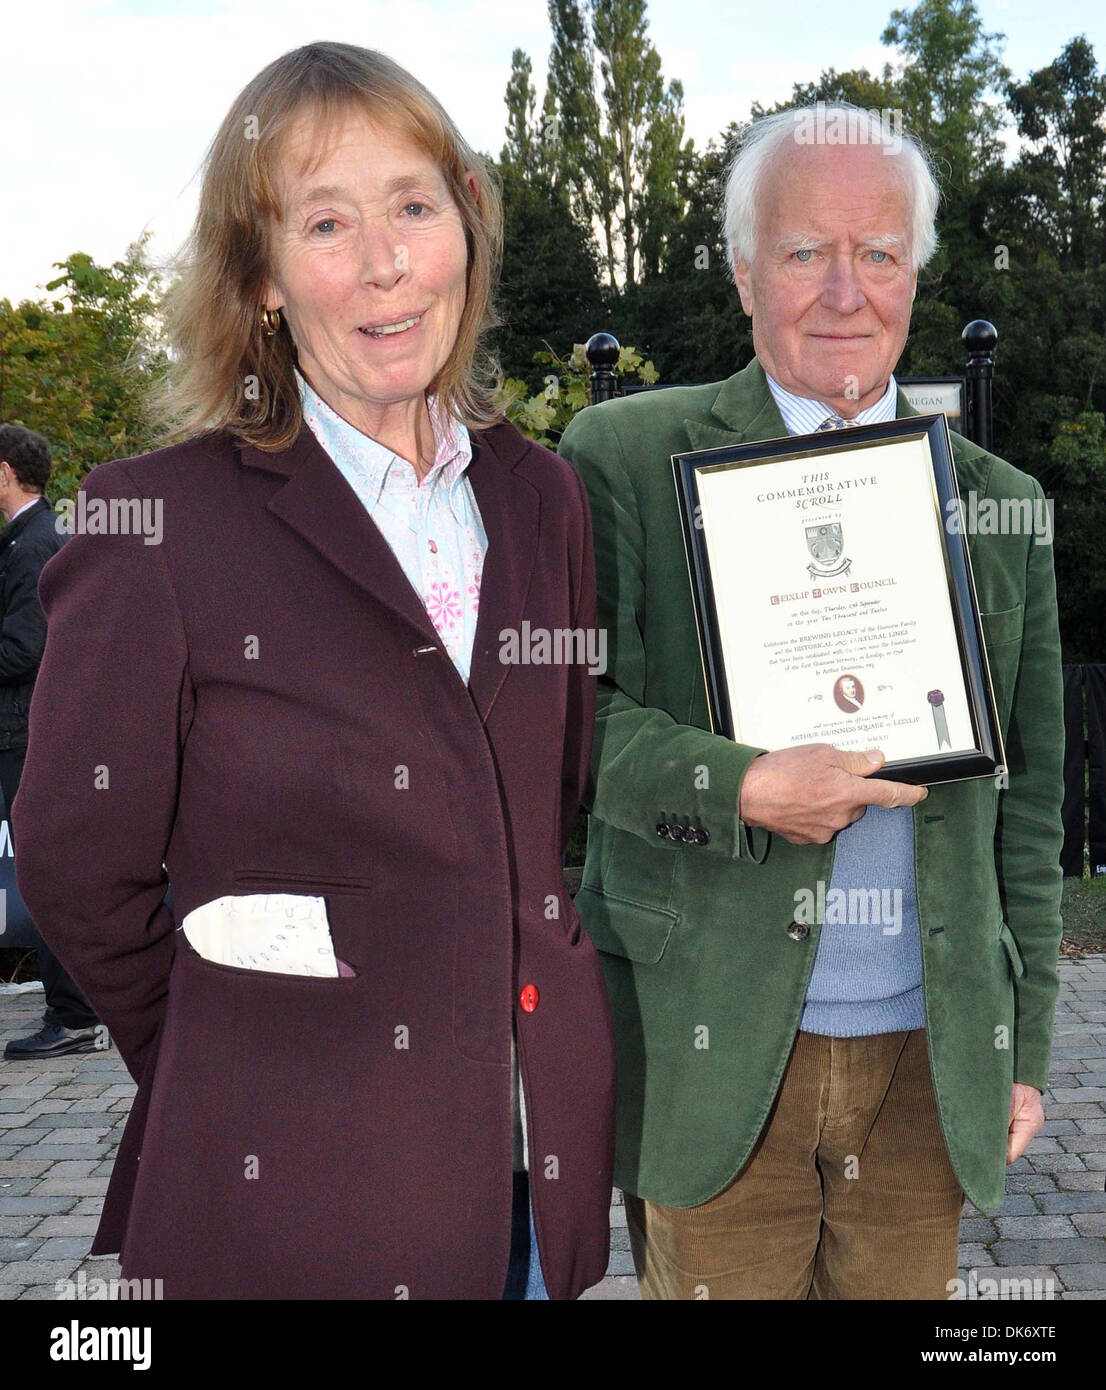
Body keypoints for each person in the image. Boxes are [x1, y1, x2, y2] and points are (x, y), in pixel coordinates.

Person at [13, 41, 615, 1300]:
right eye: (326, 222)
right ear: (265, 280)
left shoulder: (541, 496)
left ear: (465, 225)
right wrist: (231, 1055)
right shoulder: (154, 521)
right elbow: (75, 858)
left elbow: (541, 812)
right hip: (289, 1203)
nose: (386, 263)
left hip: (517, 1182)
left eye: (412, 205)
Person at [559, 102, 1063, 1300]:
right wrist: (736, 784)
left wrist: (1020, 1047)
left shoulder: (999, 507)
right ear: (742, 270)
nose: (845, 290)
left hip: (923, 1060)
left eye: (876, 253)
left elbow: (1032, 812)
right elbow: (565, 720)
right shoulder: (621, 456)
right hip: (709, 1046)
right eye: (803, 252)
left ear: (914, 271)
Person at [0, 424, 102, 1059]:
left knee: (44, 874)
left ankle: (75, 1014)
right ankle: (76, 1011)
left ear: (6, 473)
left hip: (27, 729)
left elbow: (25, 646)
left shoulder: (34, 545)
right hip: (29, 726)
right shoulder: (24, 541)